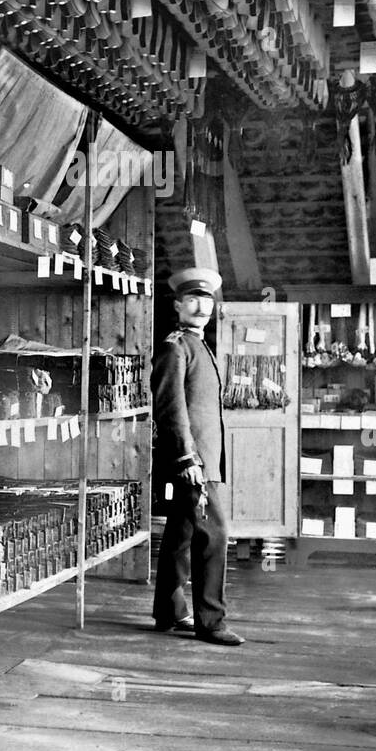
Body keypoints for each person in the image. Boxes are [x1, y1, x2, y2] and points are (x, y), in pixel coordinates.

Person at [151, 266, 244, 645]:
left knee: (181, 532)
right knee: (215, 534)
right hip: (194, 464)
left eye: (206, 300)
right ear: (178, 305)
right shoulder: (175, 347)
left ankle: (169, 611)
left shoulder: (200, 345)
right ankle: (212, 621)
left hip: (206, 458)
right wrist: (187, 461)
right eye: (192, 299)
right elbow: (170, 408)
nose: (200, 306)